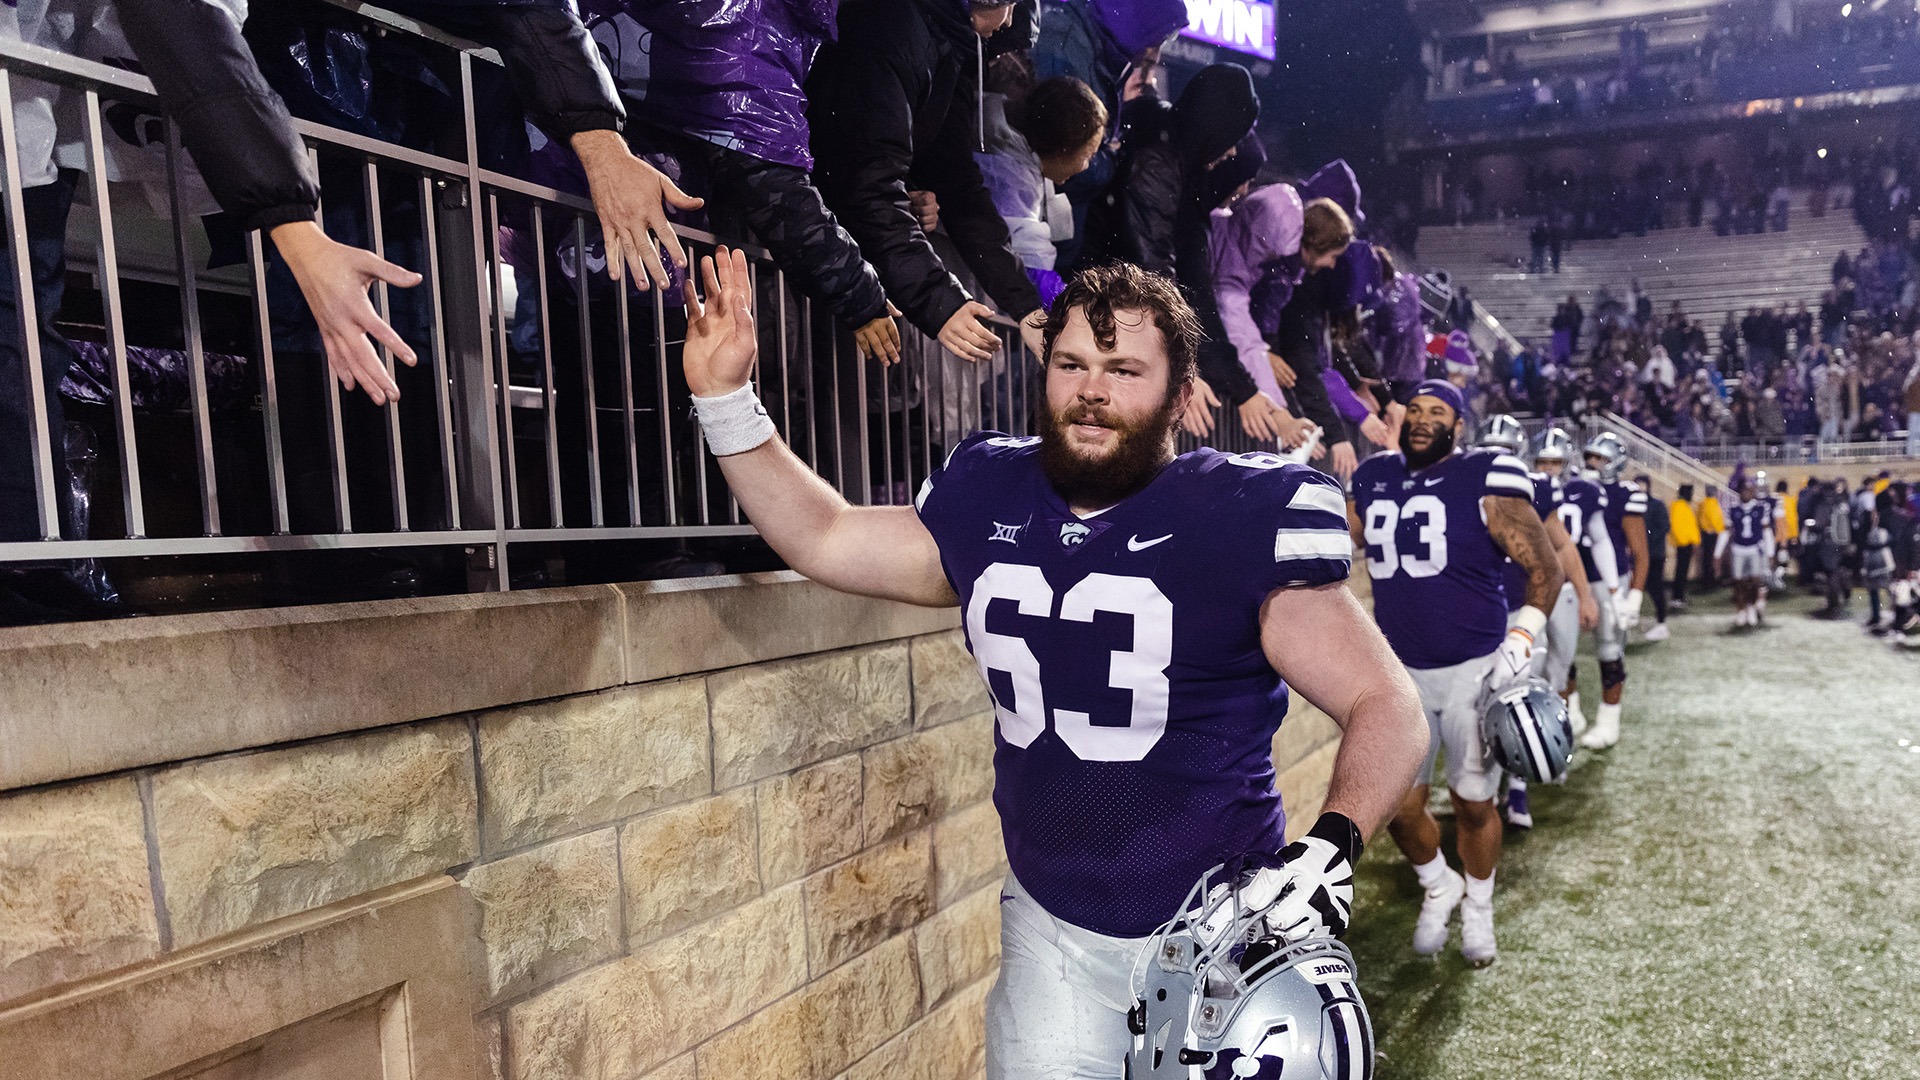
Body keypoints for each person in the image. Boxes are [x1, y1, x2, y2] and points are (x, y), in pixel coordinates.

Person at [677, 252, 1430, 1076]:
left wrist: (1331, 846)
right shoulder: (989, 491)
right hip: (1054, 930)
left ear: (1182, 396)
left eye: (1124, 370)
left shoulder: (1239, 516)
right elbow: (824, 536)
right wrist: (725, 400)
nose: (1092, 391)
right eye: (1072, 363)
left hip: (1216, 939)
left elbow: (1385, 704)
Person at [1351, 384, 1564, 966]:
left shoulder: (1487, 474)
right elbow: (1336, 546)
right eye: (1413, 412)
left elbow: (1545, 567)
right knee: (1398, 806)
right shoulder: (1373, 478)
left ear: (1459, 425)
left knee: (1473, 804)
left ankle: (1478, 907)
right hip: (1401, 673)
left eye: (1436, 413)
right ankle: (1439, 886)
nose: (1421, 422)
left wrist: (1522, 639)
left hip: (1474, 668)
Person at [616, 0, 902, 364]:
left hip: (630, 258)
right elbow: (767, 176)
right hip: (650, 271)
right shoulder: (743, 24)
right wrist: (858, 292)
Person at [806, 0, 1046, 363]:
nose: (1010, 20)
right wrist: (939, 300)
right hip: (812, 240)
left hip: (854, 254)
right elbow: (867, 181)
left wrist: (1025, 305)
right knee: (798, 381)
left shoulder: (948, 48)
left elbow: (957, 182)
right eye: (1008, 5)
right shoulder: (893, 30)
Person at [1478, 416, 1602, 832]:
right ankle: (1513, 788)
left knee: (1558, 674)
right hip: (1502, 605)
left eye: (1506, 450)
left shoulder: (1533, 488)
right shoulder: (1466, 486)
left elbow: (1563, 546)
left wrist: (1584, 594)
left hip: (1538, 599)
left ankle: (1551, 746)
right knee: (1506, 694)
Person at [1209, 187, 1356, 449]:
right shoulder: (1236, 271)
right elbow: (1243, 337)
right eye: (1333, 256)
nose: (1332, 265)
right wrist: (1279, 413)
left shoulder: (1252, 262)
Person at [976, 72, 1108, 311]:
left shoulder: (1018, 159)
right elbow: (1029, 266)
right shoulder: (1013, 177)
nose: (1086, 166)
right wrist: (1072, 306)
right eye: (1087, 155)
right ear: (1063, 148)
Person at [1532, 428, 1619, 736]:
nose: (1548, 469)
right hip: (1538, 583)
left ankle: (1603, 721)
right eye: (1542, 462)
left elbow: (1599, 540)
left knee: (1596, 650)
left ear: (1567, 462)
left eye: (1554, 463)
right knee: (1547, 661)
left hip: (1577, 580)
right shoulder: (1523, 490)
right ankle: (1567, 717)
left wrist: (1612, 588)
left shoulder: (1585, 490)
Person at [1716, 479, 1774, 629]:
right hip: (1738, 549)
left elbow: (1767, 530)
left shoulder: (1762, 508)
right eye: (1743, 490)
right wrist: (1718, 553)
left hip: (1755, 549)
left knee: (1755, 581)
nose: (1746, 493)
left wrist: (1770, 551)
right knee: (1739, 582)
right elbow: (1726, 530)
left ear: (1753, 492)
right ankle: (1741, 610)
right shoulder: (1732, 509)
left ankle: (1752, 607)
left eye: (1749, 490)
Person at [1636, 473, 1672, 641]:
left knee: (1655, 587)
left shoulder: (1656, 505)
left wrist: (1645, 543)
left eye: (1642, 484)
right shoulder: (1633, 505)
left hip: (1654, 554)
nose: (1640, 488)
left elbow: (1664, 527)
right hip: (1638, 555)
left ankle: (1661, 623)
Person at [1669, 482, 1700, 611]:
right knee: (1681, 572)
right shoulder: (1678, 506)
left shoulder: (1683, 506)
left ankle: (1680, 597)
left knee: (1683, 572)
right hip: (1684, 545)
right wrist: (1686, 542)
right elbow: (1677, 527)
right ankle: (1677, 598)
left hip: (1687, 544)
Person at [1697, 485, 1725, 590]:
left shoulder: (1703, 503)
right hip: (1711, 534)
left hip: (1705, 533)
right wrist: (1719, 529)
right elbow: (1715, 518)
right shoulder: (1712, 503)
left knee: (1706, 558)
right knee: (1710, 559)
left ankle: (1707, 581)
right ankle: (1711, 582)